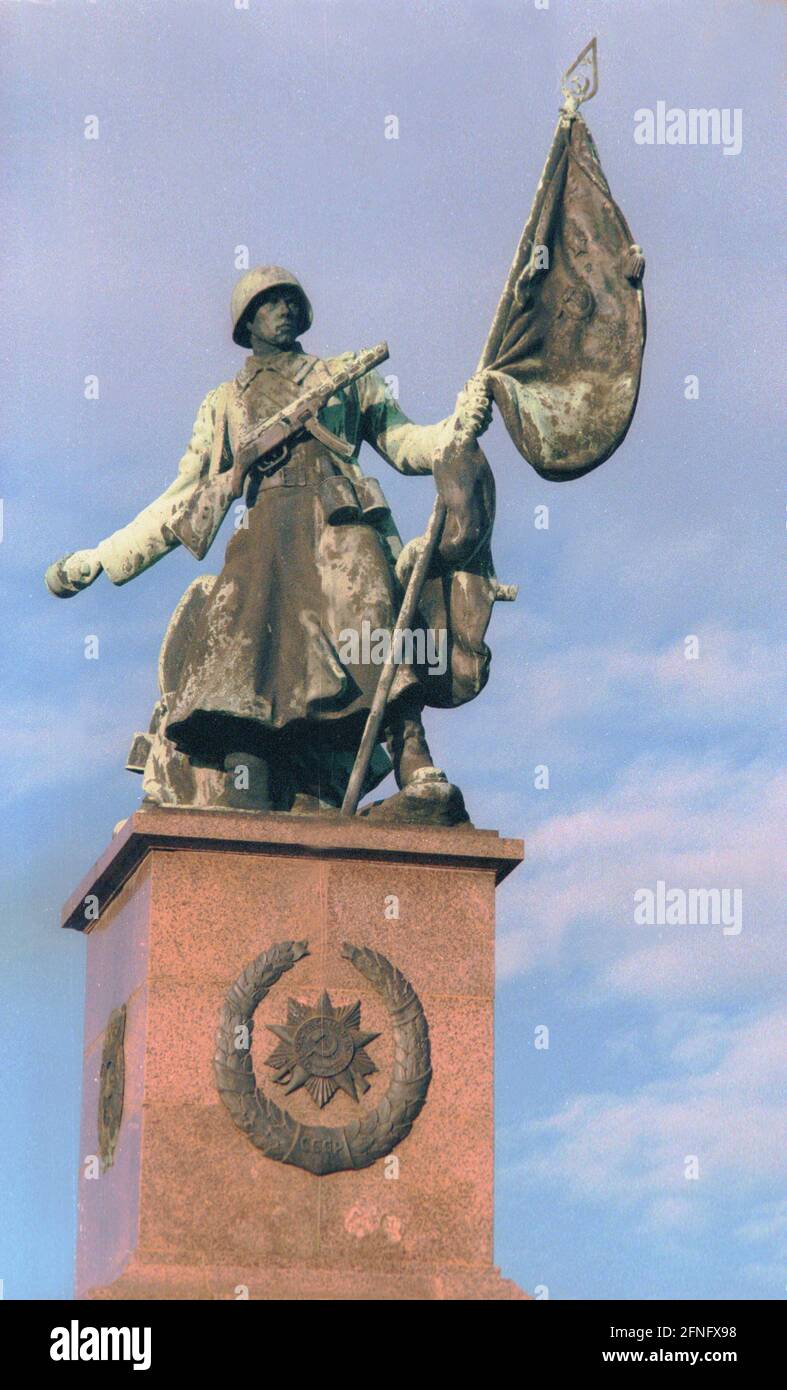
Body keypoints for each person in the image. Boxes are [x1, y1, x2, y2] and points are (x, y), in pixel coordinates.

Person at [46, 266, 494, 819]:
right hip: (266, 535)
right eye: (269, 302)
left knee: (375, 626)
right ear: (247, 321)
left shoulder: (346, 376)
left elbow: (405, 444)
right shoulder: (225, 403)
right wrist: (102, 557)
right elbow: (182, 499)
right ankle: (248, 778)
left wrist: (460, 425)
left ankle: (414, 761)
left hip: (342, 526)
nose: (284, 309)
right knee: (243, 643)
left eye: (290, 301)